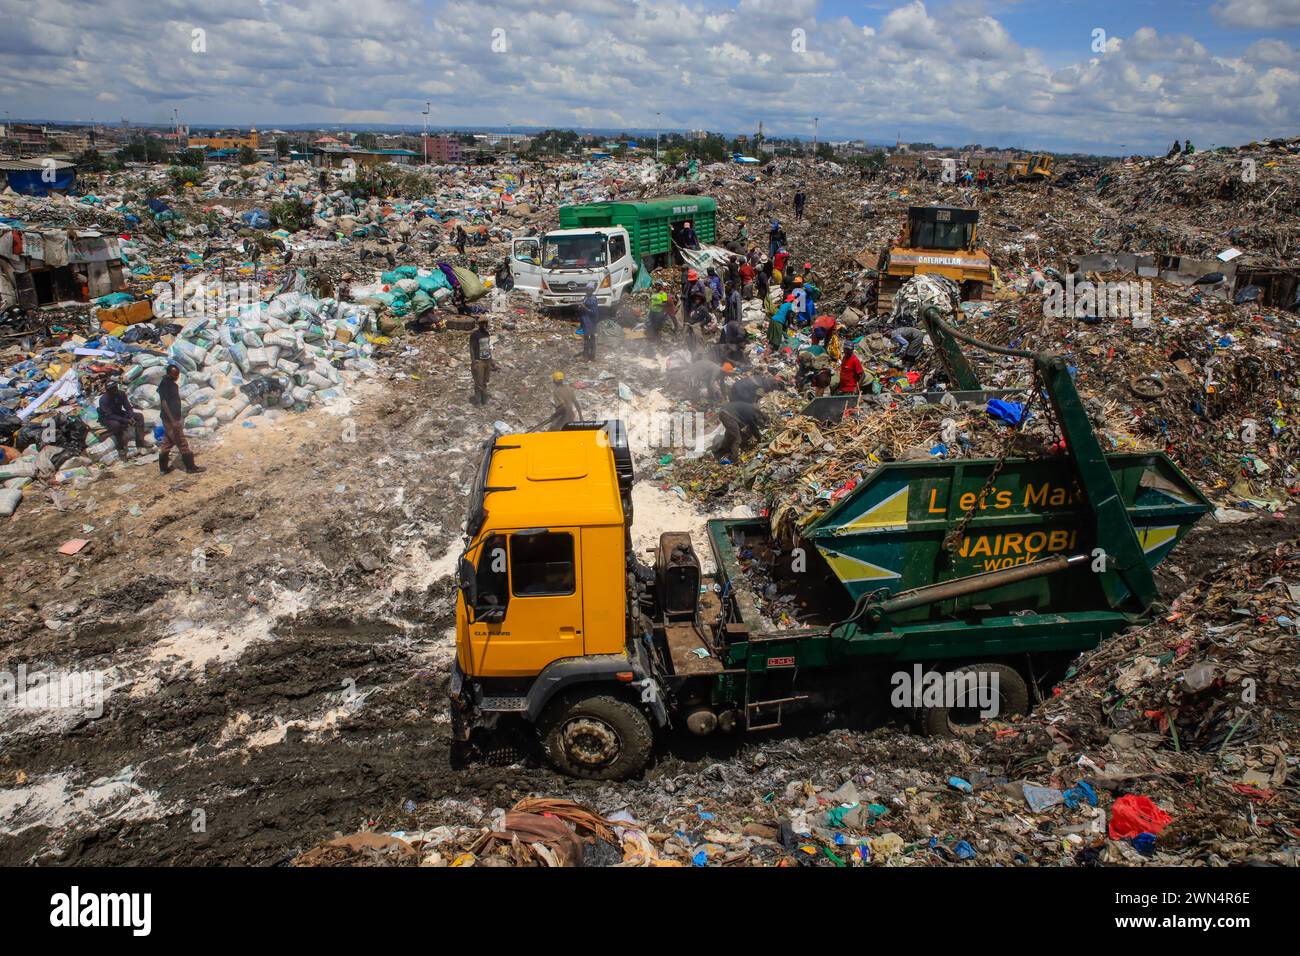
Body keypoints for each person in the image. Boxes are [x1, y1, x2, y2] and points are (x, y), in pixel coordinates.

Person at [157, 364, 204, 474]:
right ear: (169, 373)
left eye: (177, 374)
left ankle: (163, 469)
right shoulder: (165, 385)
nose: (176, 376)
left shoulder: (170, 383)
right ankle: (190, 467)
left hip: (172, 417)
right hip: (170, 419)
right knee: (181, 442)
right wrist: (173, 420)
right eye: (174, 375)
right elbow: (164, 403)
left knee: (167, 442)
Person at [97, 379, 148, 458]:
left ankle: (140, 442)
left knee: (139, 416)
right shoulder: (103, 400)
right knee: (116, 425)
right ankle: (121, 447)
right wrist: (126, 420)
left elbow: (128, 407)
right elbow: (110, 415)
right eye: (111, 389)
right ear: (107, 390)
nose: (114, 390)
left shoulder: (121, 394)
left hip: (119, 413)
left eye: (115, 387)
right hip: (107, 418)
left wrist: (131, 416)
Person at [469, 318, 499, 404]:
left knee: (485, 381)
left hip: (487, 360)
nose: (483, 325)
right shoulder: (475, 335)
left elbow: (488, 347)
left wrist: (491, 360)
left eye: (485, 323)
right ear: (479, 324)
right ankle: (477, 401)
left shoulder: (486, 334)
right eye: (481, 323)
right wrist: (473, 361)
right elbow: (471, 348)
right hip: (479, 361)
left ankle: (484, 400)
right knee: (479, 382)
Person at [580, 284, 600, 360]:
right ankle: (588, 355)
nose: (587, 291)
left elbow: (594, 312)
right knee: (586, 338)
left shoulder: (593, 299)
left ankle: (591, 356)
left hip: (590, 322)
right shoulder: (586, 297)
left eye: (589, 289)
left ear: (592, 290)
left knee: (591, 338)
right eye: (586, 289)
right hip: (585, 322)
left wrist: (584, 307)